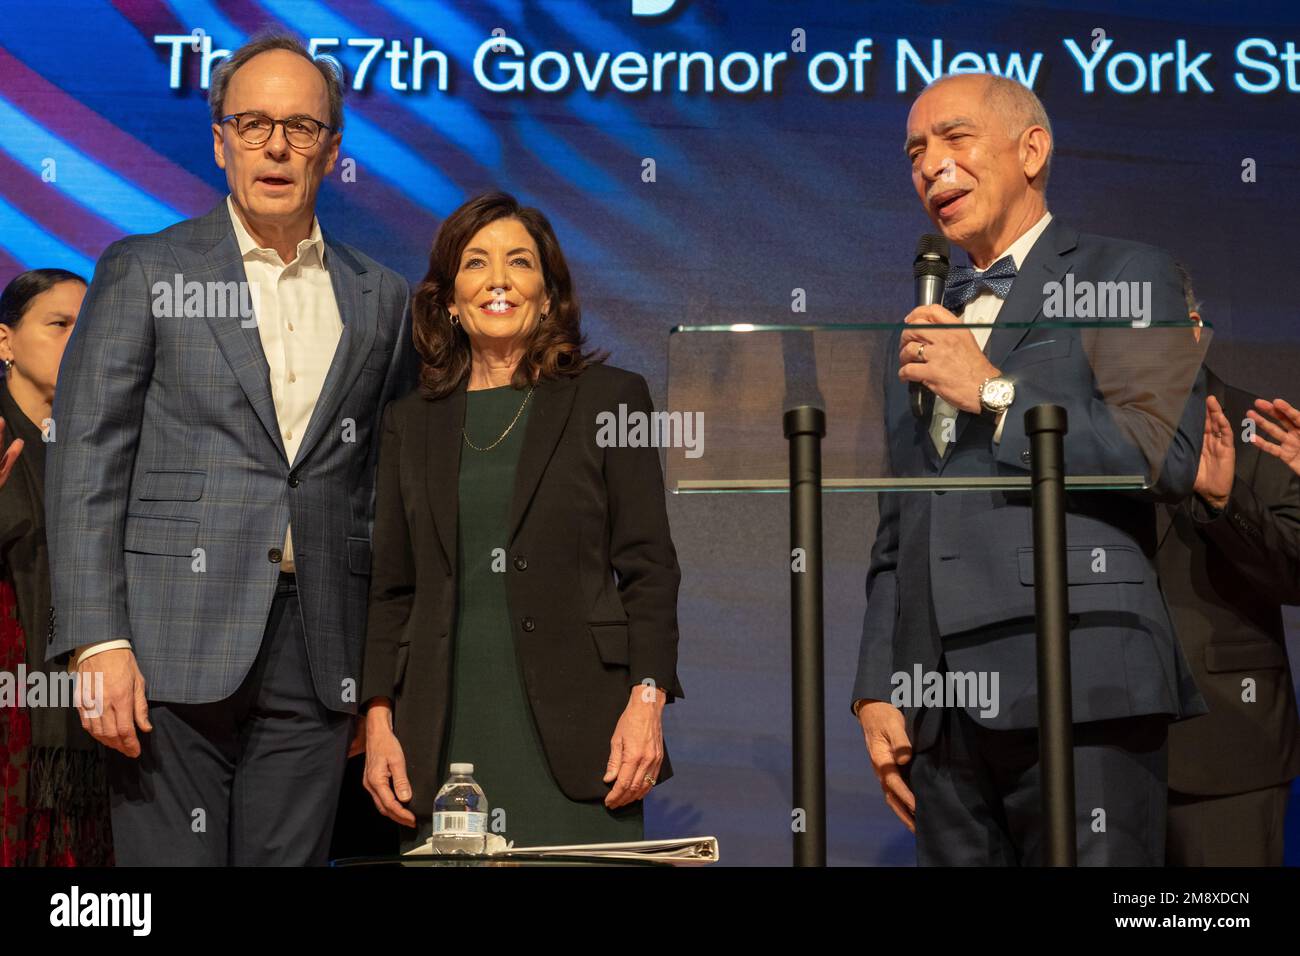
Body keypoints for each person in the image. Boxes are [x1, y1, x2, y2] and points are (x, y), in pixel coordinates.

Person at [44, 34, 416, 865]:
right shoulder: (145, 269)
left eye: (300, 126)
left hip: (319, 651)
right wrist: (98, 642)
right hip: (165, 643)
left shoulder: (381, 298)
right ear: (219, 143)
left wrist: (380, 680)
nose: (276, 145)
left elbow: (384, 491)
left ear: (332, 148)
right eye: (252, 124)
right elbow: (86, 464)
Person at [851, 72, 1206, 865]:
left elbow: (1163, 454)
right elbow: (897, 524)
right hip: (941, 712)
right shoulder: (916, 330)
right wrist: (878, 683)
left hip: (1083, 684)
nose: (931, 167)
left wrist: (993, 392)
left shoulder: (1124, 275)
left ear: (1032, 150)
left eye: (954, 139)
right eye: (915, 153)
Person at [361, 192, 683, 850]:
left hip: (586, 736)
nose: (499, 279)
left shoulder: (611, 400)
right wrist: (376, 720)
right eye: (475, 263)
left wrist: (647, 700)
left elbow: (650, 569)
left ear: (547, 293)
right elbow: (392, 589)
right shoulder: (408, 420)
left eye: (520, 262)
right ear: (449, 297)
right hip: (440, 737)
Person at [1161, 273, 1300, 865]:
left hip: (1230, 747)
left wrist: (1224, 504)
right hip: (1103, 751)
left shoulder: (1259, 424)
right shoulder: (1087, 436)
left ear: (1196, 333)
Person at [0, 268, 114, 866]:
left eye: (87, 326)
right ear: (5, 343)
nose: (79, 339)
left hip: (101, 703)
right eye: (59, 324)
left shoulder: (115, 441)